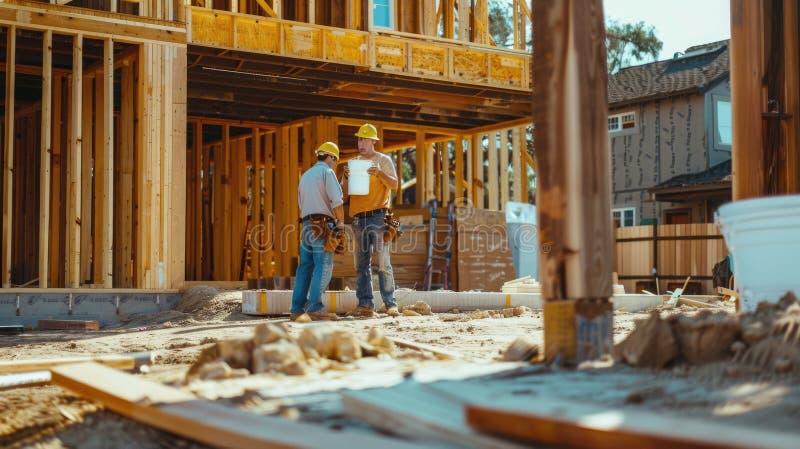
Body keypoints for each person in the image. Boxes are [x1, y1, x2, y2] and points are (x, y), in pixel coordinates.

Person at [342, 124, 400, 317]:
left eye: (365, 139)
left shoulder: (384, 161)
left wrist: (379, 173)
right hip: (358, 219)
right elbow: (343, 195)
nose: (361, 143)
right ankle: (366, 305)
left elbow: (395, 184)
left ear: (374, 141)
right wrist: (345, 177)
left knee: (383, 262)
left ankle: (390, 303)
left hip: (378, 216)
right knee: (361, 265)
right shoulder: (352, 163)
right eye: (359, 139)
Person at [290, 142, 344, 321]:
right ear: (331, 157)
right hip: (322, 225)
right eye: (335, 161)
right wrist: (341, 224)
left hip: (306, 225)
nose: (334, 165)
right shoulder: (327, 172)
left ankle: (297, 309)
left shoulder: (305, 175)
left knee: (305, 266)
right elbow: (337, 202)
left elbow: (301, 204)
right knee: (324, 264)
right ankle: (315, 307)